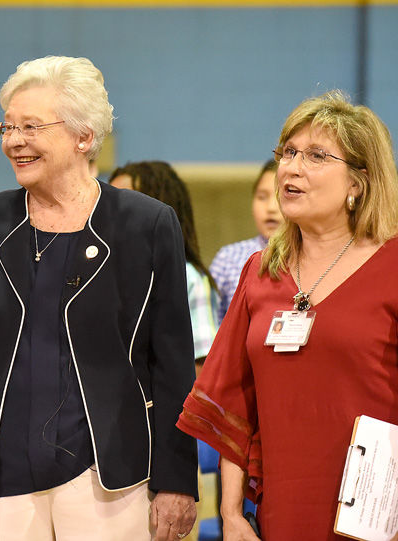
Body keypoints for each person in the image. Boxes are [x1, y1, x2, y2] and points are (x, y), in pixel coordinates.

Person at [0, 56, 198, 541]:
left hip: (110, 481)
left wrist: (177, 481)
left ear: (84, 137)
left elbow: (173, 364)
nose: (13, 141)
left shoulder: (147, 224)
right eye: (7, 126)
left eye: (31, 127)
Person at [177, 90, 398, 540]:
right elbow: (233, 400)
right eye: (289, 152)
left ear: (358, 182)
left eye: (316, 156)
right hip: (282, 512)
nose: (293, 168)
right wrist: (233, 512)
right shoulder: (260, 274)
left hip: (379, 513)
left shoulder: (392, 265)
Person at [109, 160, 220, 369]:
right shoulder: (98, 273)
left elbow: (200, 366)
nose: (111, 217)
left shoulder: (189, 278)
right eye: (108, 205)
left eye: (123, 207)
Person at [209, 160, 283, 321]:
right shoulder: (228, 258)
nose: (270, 208)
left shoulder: (311, 258)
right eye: (262, 197)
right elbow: (209, 322)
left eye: (280, 197)